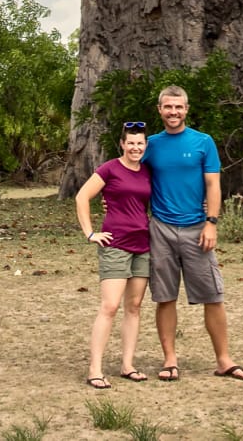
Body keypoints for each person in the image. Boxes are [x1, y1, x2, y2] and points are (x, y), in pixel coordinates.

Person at [142, 85, 243, 382]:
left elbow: (213, 185)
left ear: (187, 109)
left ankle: (224, 360)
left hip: (196, 229)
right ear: (159, 110)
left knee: (213, 296)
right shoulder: (150, 145)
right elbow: (130, 175)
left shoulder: (203, 142)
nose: (173, 112)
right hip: (161, 229)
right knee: (164, 297)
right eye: (168, 107)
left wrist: (211, 222)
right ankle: (169, 360)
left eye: (178, 107)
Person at [74, 121, 153, 389]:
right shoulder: (110, 168)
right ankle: (94, 369)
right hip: (115, 244)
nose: (135, 147)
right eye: (130, 142)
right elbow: (82, 197)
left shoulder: (148, 171)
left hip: (143, 244)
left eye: (140, 143)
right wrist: (90, 233)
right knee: (109, 306)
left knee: (134, 307)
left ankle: (127, 365)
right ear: (122, 144)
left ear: (145, 145)